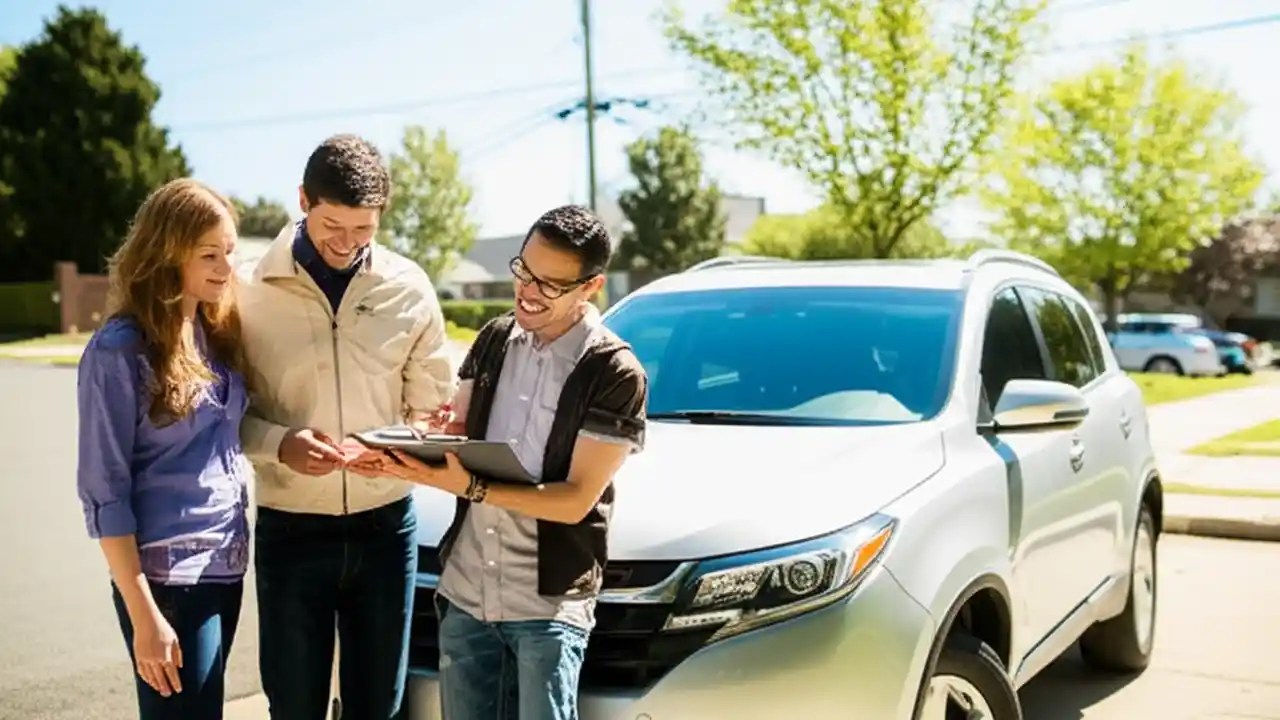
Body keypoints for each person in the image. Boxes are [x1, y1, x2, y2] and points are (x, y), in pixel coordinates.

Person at [378, 205, 649, 720]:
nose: (527, 290)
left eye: (550, 284)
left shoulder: (614, 372)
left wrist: (473, 487)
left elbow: (574, 502)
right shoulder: (494, 339)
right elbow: (457, 430)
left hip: (547, 607)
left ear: (589, 287)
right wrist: (426, 439)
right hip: (466, 592)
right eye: (524, 270)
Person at [236, 133, 454, 720]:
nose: (347, 244)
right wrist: (277, 444)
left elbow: (434, 410)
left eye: (364, 230)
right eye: (333, 225)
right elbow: (218, 411)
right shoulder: (246, 288)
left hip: (387, 531)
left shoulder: (409, 286)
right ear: (303, 200)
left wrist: (391, 447)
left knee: (379, 707)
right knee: (295, 706)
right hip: (290, 528)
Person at [76, 178, 249, 720]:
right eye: (209, 254)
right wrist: (143, 612)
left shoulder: (212, 332)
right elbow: (104, 491)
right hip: (168, 581)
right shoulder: (117, 352)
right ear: (167, 251)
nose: (225, 267)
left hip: (225, 567)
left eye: (229, 252)